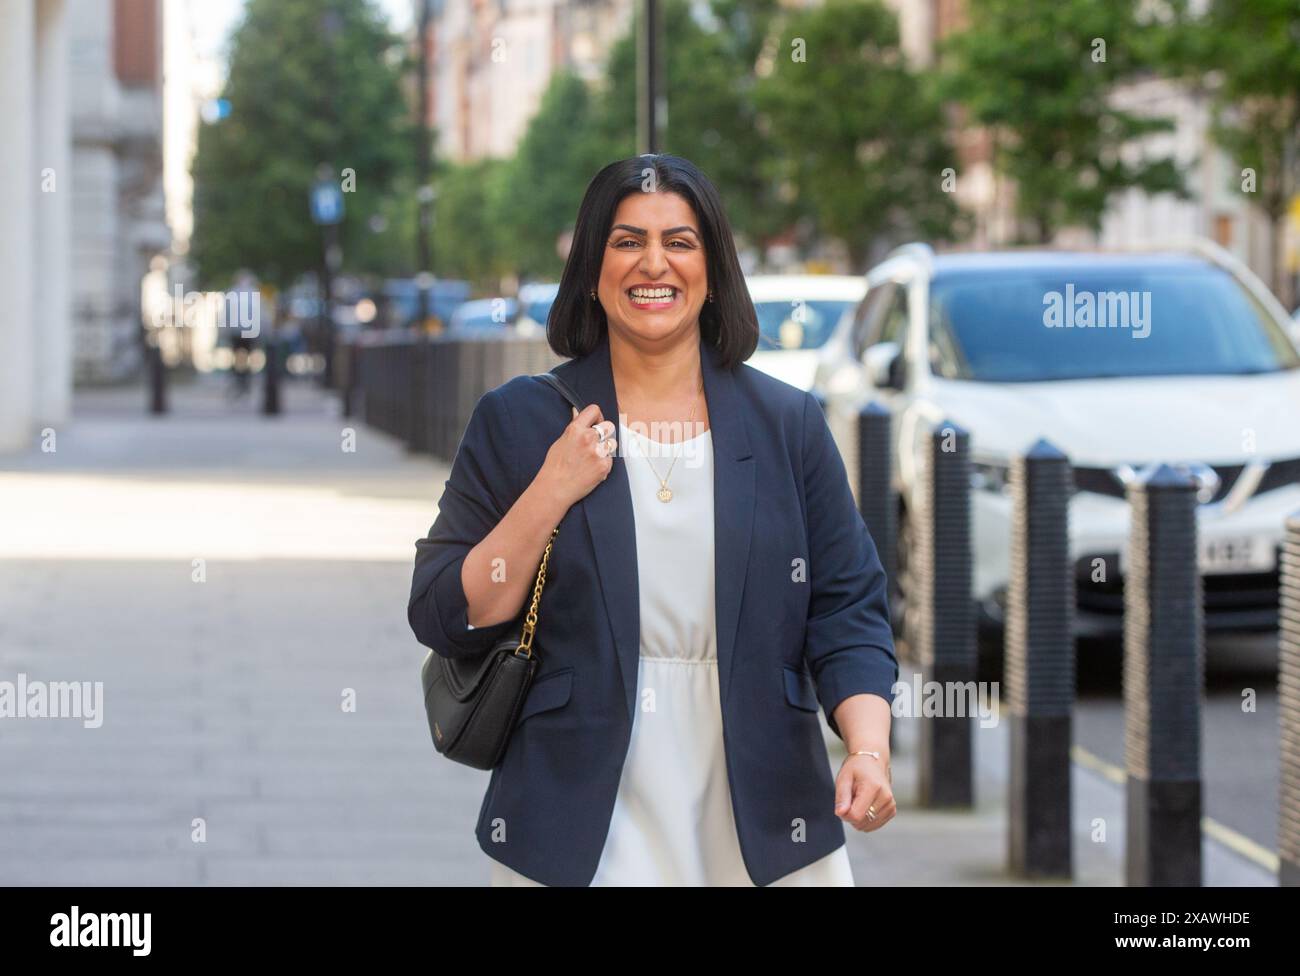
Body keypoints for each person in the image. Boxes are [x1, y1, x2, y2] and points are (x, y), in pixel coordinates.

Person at [408, 154, 898, 887]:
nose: (653, 263)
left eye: (680, 241)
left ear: (712, 269)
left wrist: (867, 750)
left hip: (765, 813)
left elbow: (848, 608)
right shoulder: (519, 419)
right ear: (593, 268)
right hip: (575, 816)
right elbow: (446, 612)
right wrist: (551, 488)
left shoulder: (786, 423)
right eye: (627, 241)